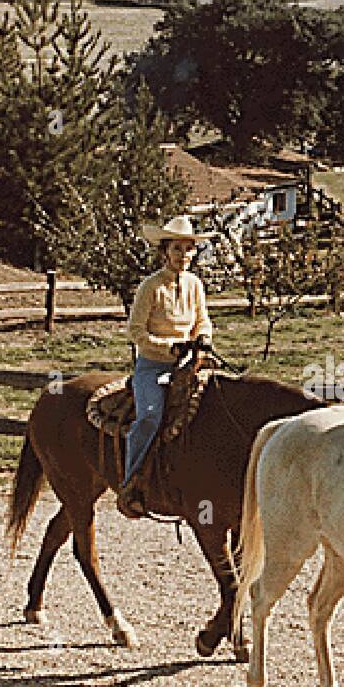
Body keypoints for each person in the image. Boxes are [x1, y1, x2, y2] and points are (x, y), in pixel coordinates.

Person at [117, 215, 214, 519]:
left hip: (189, 363)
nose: (183, 256)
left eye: (188, 249)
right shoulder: (151, 287)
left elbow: (203, 320)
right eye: (177, 249)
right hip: (153, 366)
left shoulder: (195, 285)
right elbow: (136, 331)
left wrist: (204, 338)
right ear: (164, 252)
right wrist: (167, 346)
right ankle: (131, 481)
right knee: (148, 417)